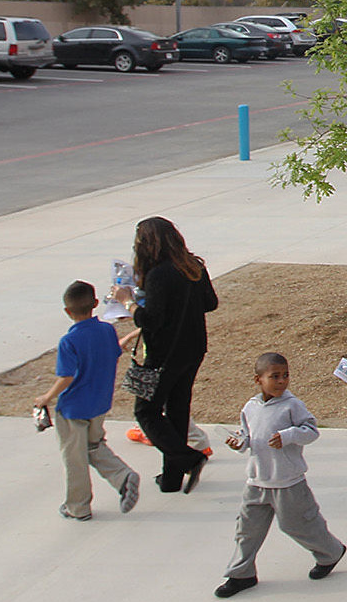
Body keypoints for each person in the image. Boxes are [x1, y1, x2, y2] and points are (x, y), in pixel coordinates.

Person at [214, 353, 346, 597]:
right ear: (258, 379)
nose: (282, 381)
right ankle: (241, 574)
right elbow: (248, 437)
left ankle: (331, 552)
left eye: (286, 375)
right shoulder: (250, 407)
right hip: (256, 481)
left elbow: (310, 431)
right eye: (275, 376)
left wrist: (288, 436)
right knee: (246, 531)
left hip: (288, 483)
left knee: (299, 525)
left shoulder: (292, 405)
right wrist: (240, 443)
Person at [113, 216, 219, 494]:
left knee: (146, 411)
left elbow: (150, 321)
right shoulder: (193, 266)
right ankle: (171, 479)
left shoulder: (159, 274)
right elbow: (211, 303)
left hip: (163, 355)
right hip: (194, 349)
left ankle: (188, 458)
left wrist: (128, 302)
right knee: (177, 411)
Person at [34, 280, 140, 521]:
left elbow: (67, 376)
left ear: (67, 311)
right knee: (94, 447)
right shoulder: (106, 331)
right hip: (99, 403)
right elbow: (114, 354)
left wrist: (46, 398)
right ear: (94, 304)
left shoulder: (68, 341)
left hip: (73, 408)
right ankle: (123, 476)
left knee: (75, 458)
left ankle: (78, 506)